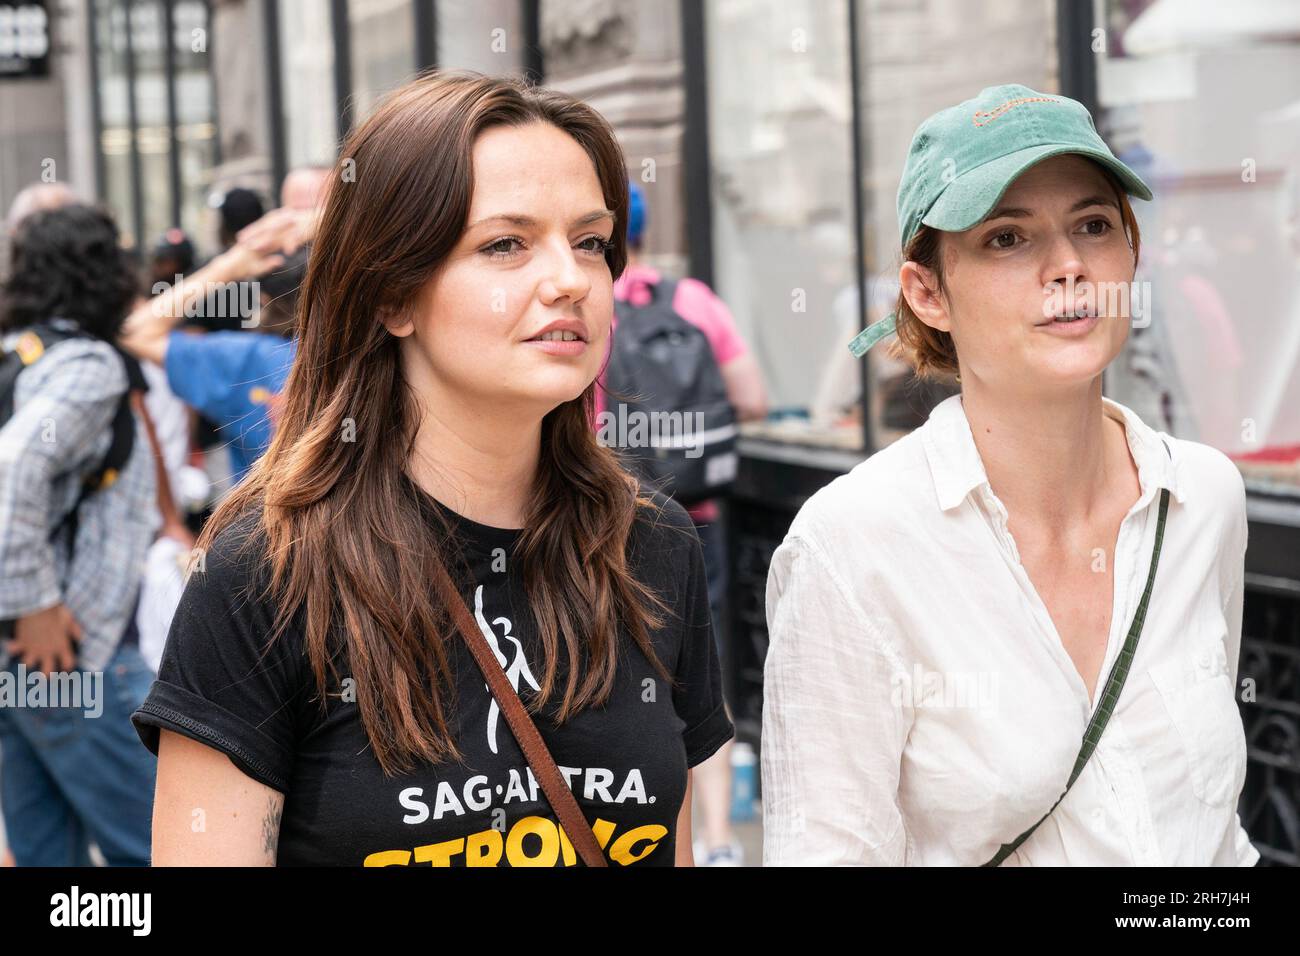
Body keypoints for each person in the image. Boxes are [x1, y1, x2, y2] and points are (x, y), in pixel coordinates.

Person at [131, 70, 733, 867]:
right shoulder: (266, 575)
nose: (569, 280)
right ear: (393, 295)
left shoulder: (650, 544)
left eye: (589, 242)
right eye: (504, 244)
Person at [762, 84, 1258, 866]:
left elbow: (1214, 838)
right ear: (928, 292)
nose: (1067, 266)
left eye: (1094, 225)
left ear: (1132, 253)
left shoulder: (1202, 497)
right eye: (1006, 239)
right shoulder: (852, 547)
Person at [598, 180, 766, 865]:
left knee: (622, 682)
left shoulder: (583, 305)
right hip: (695, 516)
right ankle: (720, 841)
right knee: (705, 676)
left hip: (605, 521)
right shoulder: (691, 299)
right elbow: (752, 398)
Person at [0, 204, 159, 865]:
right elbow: (10, 471)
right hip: (75, 657)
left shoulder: (19, 354)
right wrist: (30, 603)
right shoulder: (88, 364)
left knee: (46, 861)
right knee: (164, 852)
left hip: (21, 667)